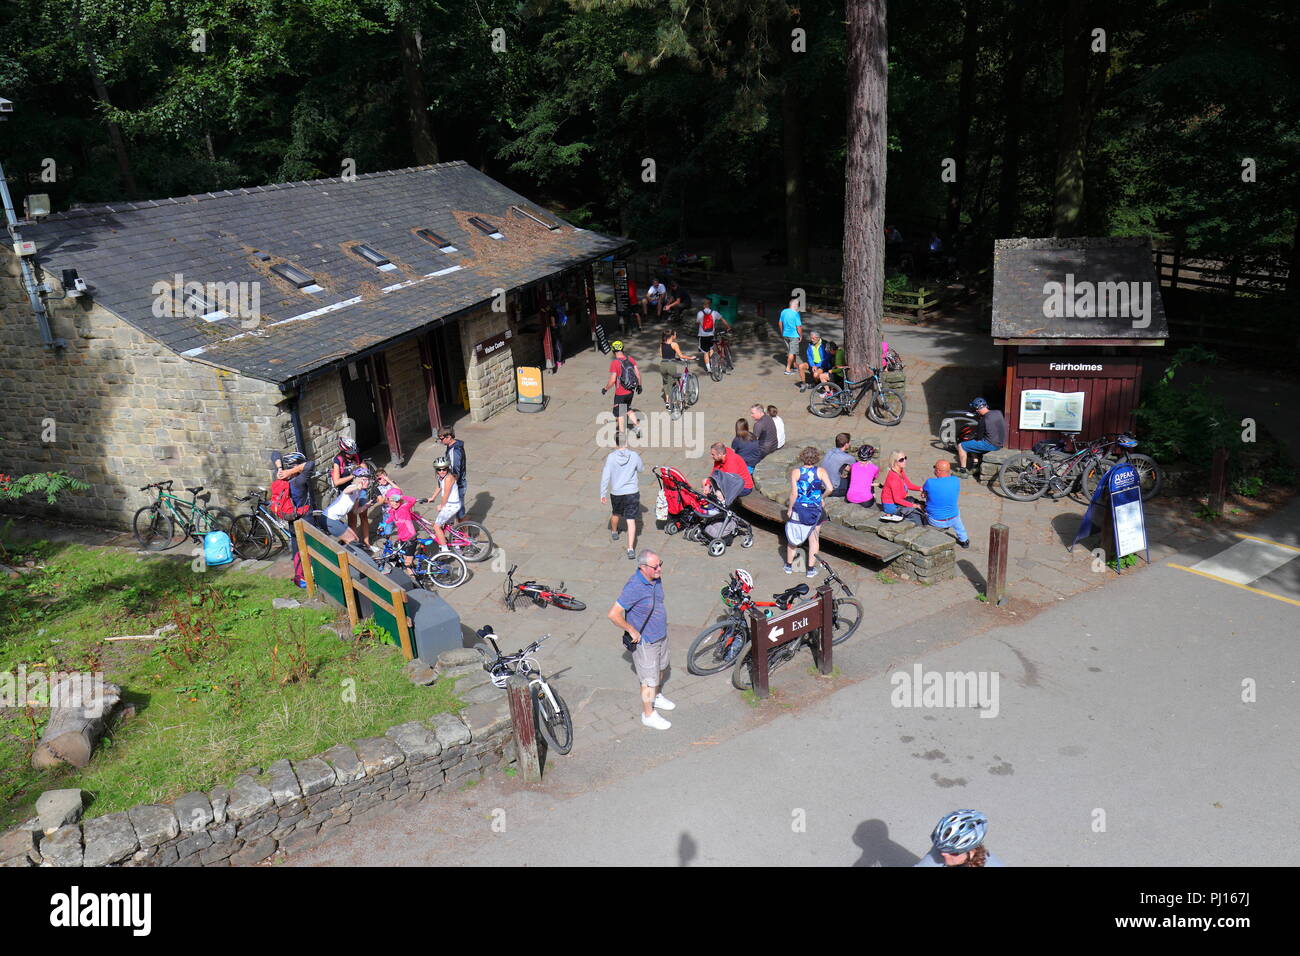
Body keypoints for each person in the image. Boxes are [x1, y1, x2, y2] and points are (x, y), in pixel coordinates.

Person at [608, 550, 673, 731]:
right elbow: (613, 614)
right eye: (655, 567)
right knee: (648, 681)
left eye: (660, 564)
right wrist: (631, 629)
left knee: (662, 668)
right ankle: (648, 715)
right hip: (646, 641)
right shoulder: (634, 586)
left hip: (661, 634)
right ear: (642, 568)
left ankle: (657, 697)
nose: (660, 569)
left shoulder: (655, 578)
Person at [785, 447, 831, 577]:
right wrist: (821, 497)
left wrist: (790, 509)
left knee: (793, 537)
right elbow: (830, 488)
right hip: (815, 508)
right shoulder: (821, 471)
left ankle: (789, 566)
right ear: (816, 458)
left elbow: (794, 493)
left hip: (799, 508)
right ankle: (810, 570)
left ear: (802, 457)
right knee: (814, 539)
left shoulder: (796, 472)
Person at [272, 451, 314, 587]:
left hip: (292, 520)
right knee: (310, 548)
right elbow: (310, 464)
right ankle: (311, 576)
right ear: (295, 466)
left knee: (297, 548)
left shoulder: (282, 479)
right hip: (305, 519)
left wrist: (280, 469)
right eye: (299, 465)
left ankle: (299, 577)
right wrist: (293, 470)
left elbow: (275, 454)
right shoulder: (299, 481)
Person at [600, 432, 644, 560]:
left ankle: (614, 531)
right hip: (632, 492)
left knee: (616, 513)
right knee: (631, 520)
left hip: (617, 492)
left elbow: (605, 476)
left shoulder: (611, 457)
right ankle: (630, 549)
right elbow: (641, 469)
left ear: (615, 443)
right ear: (626, 442)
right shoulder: (634, 455)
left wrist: (603, 493)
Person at [914, 809, 1006, 867]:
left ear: (971, 851)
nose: (943, 854)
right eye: (940, 848)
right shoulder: (943, 849)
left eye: (953, 853)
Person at [923, 459, 971, 548]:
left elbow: (923, 494)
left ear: (937, 471)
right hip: (954, 518)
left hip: (936, 521)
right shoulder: (956, 480)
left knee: (922, 510)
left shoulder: (930, 482)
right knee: (958, 520)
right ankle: (964, 540)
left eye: (934, 468)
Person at [956, 397, 1007, 477]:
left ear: (977, 410)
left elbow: (979, 437)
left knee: (962, 446)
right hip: (1000, 442)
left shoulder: (983, 420)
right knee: (972, 443)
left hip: (991, 445)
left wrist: (970, 436)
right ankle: (975, 466)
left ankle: (963, 471)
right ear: (986, 405)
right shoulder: (998, 412)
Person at [320, 467, 371, 545]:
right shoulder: (351, 488)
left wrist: (367, 505)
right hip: (329, 518)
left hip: (335, 519)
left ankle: (345, 553)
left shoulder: (358, 492)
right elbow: (346, 491)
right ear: (357, 479)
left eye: (368, 479)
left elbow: (355, 511)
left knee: (355, 538)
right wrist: (357, 486)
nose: (367, 482)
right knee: (352, 541)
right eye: (364, 479)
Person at [331, 437, 368, 543]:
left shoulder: (356, 455)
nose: (352, 455)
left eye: (353, 452)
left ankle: (367, 543)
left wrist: (362, 470)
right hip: (348, 493)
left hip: (360, 490)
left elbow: (365, 469)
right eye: (349, 453)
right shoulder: (338, 460)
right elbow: (337, 481)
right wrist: (352, 475)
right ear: (343, 450)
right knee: (352, 520)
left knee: (364, 516)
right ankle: (354, 544)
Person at [602, 340, 642, 440]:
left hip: (620, 393)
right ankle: (637, 427)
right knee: (627, 408)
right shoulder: (630, 359)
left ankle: (621, 435)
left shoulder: (615, 363)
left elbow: (612, 380)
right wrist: (639, 386)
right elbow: (637, 374)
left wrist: (605, 388)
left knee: (620, 413)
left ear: (613, 351)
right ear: (622, 349)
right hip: (630, 390)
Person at [880, 450, 924, 526]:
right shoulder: (893, 478)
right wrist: (914, 506)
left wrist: (922, 489)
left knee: (919, 505)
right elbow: (897, 499)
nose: (905, 461)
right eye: (901, 460)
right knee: (914, 510)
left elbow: (909, 485)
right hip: (891, 506)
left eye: (905, 458)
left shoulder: (900, 470)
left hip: (898, 501)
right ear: (894, 462)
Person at [427, 457, 460, 551]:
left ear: (447, 468)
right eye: (439, 469)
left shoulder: (449, 478)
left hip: (451, 505)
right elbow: (439, 486)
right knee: (449, 525)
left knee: (436, 526)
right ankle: (456, 543)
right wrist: (433, 497)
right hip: (453, 504)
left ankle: (444, 549)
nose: (441, 471)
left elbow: (446, 494)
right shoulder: (441, 477)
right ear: (436, 470)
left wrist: (442, 506)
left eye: (444, 469)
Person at [439, 426, 468, 519]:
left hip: (458, 485)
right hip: (457, 483)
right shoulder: (452, 446)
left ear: (449, 437)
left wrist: (449, 486)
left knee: (460, 513)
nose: (441, 441)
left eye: (442, 439)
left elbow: (455, 472)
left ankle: (465, 532)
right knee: (457, 511)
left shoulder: (454, 451)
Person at [697, 298, 731, 373]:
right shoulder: (714, 313)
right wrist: (728, 327)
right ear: (710, 305)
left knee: (705, 352)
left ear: (703, 305)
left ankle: (709, 369)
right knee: (711, 349)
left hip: (702, 336)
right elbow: (722, 319)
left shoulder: (699, 313)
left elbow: (697, 323)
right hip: (711, 335)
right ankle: (713, 364)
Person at [659, 329, 690, 408]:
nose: (676, 336)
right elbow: (681, 356)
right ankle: (677, 399)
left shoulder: (662, 344)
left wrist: (671, 356)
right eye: (675, 334)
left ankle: (667, 402)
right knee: (674, 382)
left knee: (666, 383)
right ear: (672, 336)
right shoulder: (674, 344)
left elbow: (661, 355)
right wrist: (690, 357)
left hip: (662, 364)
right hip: (670, 365)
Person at [819, 432, 855, 497]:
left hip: (822, 486)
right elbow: (856, 468)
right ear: (846, 444)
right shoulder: (848, 457)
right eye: (849, 442)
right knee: (851, 473)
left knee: (842, 467)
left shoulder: (829, 452)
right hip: (834, 490)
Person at [778, 297, 803, 375]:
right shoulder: (796, 314)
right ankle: (788, 369)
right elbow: (798, 327)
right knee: (792, 352)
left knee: (792, 350)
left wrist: (782, 332)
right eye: (798, 305)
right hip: (794, 336)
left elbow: (780, 323)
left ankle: (794, 365)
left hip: (785, 335)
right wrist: (801, 335)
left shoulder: (783, 311)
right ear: (795, 305)